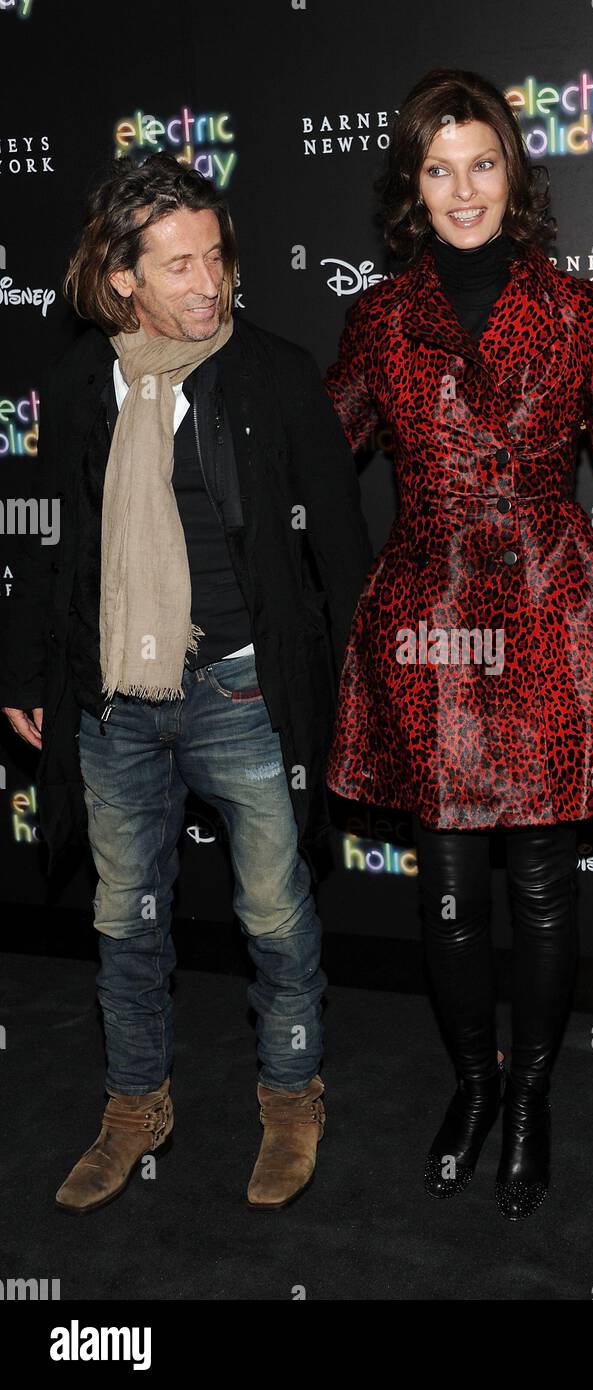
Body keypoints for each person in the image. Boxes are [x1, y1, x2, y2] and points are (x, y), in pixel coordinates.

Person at [0, 152, 373, 1214]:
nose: (209, 282)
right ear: (122, 276)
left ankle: (293, 1097)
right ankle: (132, 1106)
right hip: (112, 695)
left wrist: (352, 688)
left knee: (273, 911)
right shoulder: (81, 381)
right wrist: (26, 666)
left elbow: (340, 551)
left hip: (243, 690)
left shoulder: (272, 371)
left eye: (216, 256)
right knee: (125, 918)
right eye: (179, 264)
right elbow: (54, 539)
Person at [324, 68, 593, 1219]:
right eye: (437, 166)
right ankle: (475, 1081)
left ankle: (534, 1097)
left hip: (553, 621)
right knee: (451, 897)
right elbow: (320, 462)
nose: (463, 188)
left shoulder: (584, 314)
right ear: (412, 185)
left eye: (482, 162)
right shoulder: (376, 317)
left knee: (546, 894)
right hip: (431, 626)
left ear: (513, 173)